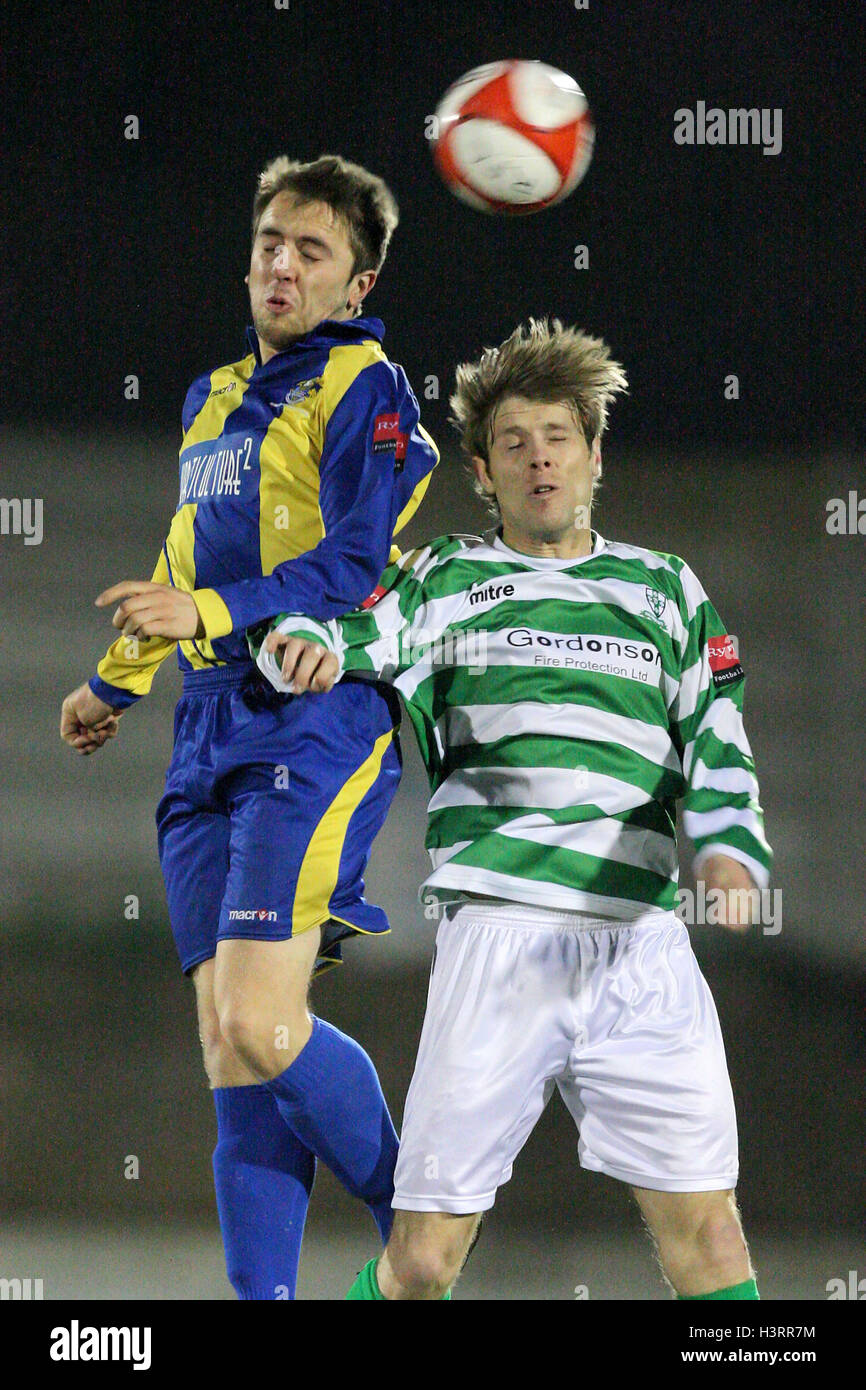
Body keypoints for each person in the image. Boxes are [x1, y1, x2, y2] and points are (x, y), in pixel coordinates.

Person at [253, 318, 773, 1301]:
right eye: (511, 444)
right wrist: (298, 646)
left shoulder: (664, 590)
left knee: (709, 1235)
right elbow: (323, 628)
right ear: (484, 475)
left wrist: (725, 849)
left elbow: (714, 734)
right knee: (420, 1262)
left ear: (593, 455)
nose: (538, 459)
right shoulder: (445, 583)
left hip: (641, 949)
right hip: (501, 944)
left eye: (557, 438)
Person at [59, 154, 438, 1300]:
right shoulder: (211, 396)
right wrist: (119, 679)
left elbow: (355, 560)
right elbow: (188, 550)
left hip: (313, 713)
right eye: (270, 239)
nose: (281, 262)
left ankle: (425, 1239)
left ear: (356, 284)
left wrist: (213, 613)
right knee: (229, 1048)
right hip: (209, 722)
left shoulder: (366, 383)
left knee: (266, 1024)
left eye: (310, 250)